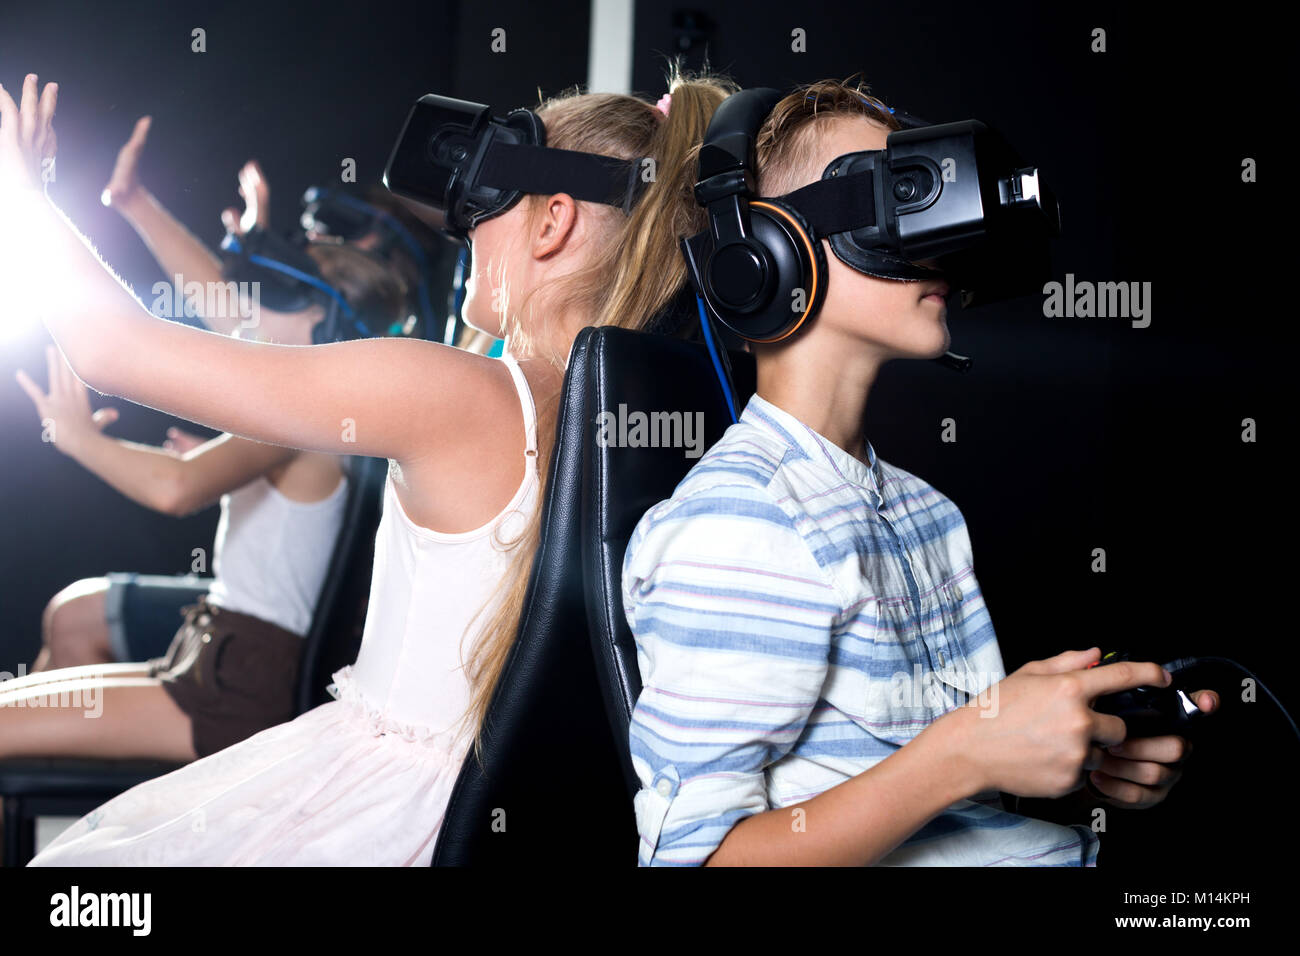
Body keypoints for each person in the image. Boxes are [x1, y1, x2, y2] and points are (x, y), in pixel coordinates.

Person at [0, 68, 731, 864]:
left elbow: (114, 349)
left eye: (485, 207)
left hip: (381, 813)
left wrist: (23, 196)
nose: (466, 233)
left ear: (553, 222)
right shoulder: (642, 416)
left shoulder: (460, 393)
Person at [620, 79, 1220, 866]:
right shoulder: (741, 523)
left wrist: (1067, 755)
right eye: (890, 201)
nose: (933, 243)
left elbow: (917, 795)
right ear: (762, 256)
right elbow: (698, 859)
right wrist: (966, 751)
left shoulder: (926, 511)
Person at [4, 127, 410, 764]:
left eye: (269, 297)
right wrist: (132, 200)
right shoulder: (311, 397)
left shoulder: (300, 412)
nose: (240, 308)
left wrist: (79, 439)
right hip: (218, 654)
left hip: (238, 686)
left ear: (320, 323)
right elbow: (221, 303)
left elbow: (175, 488)